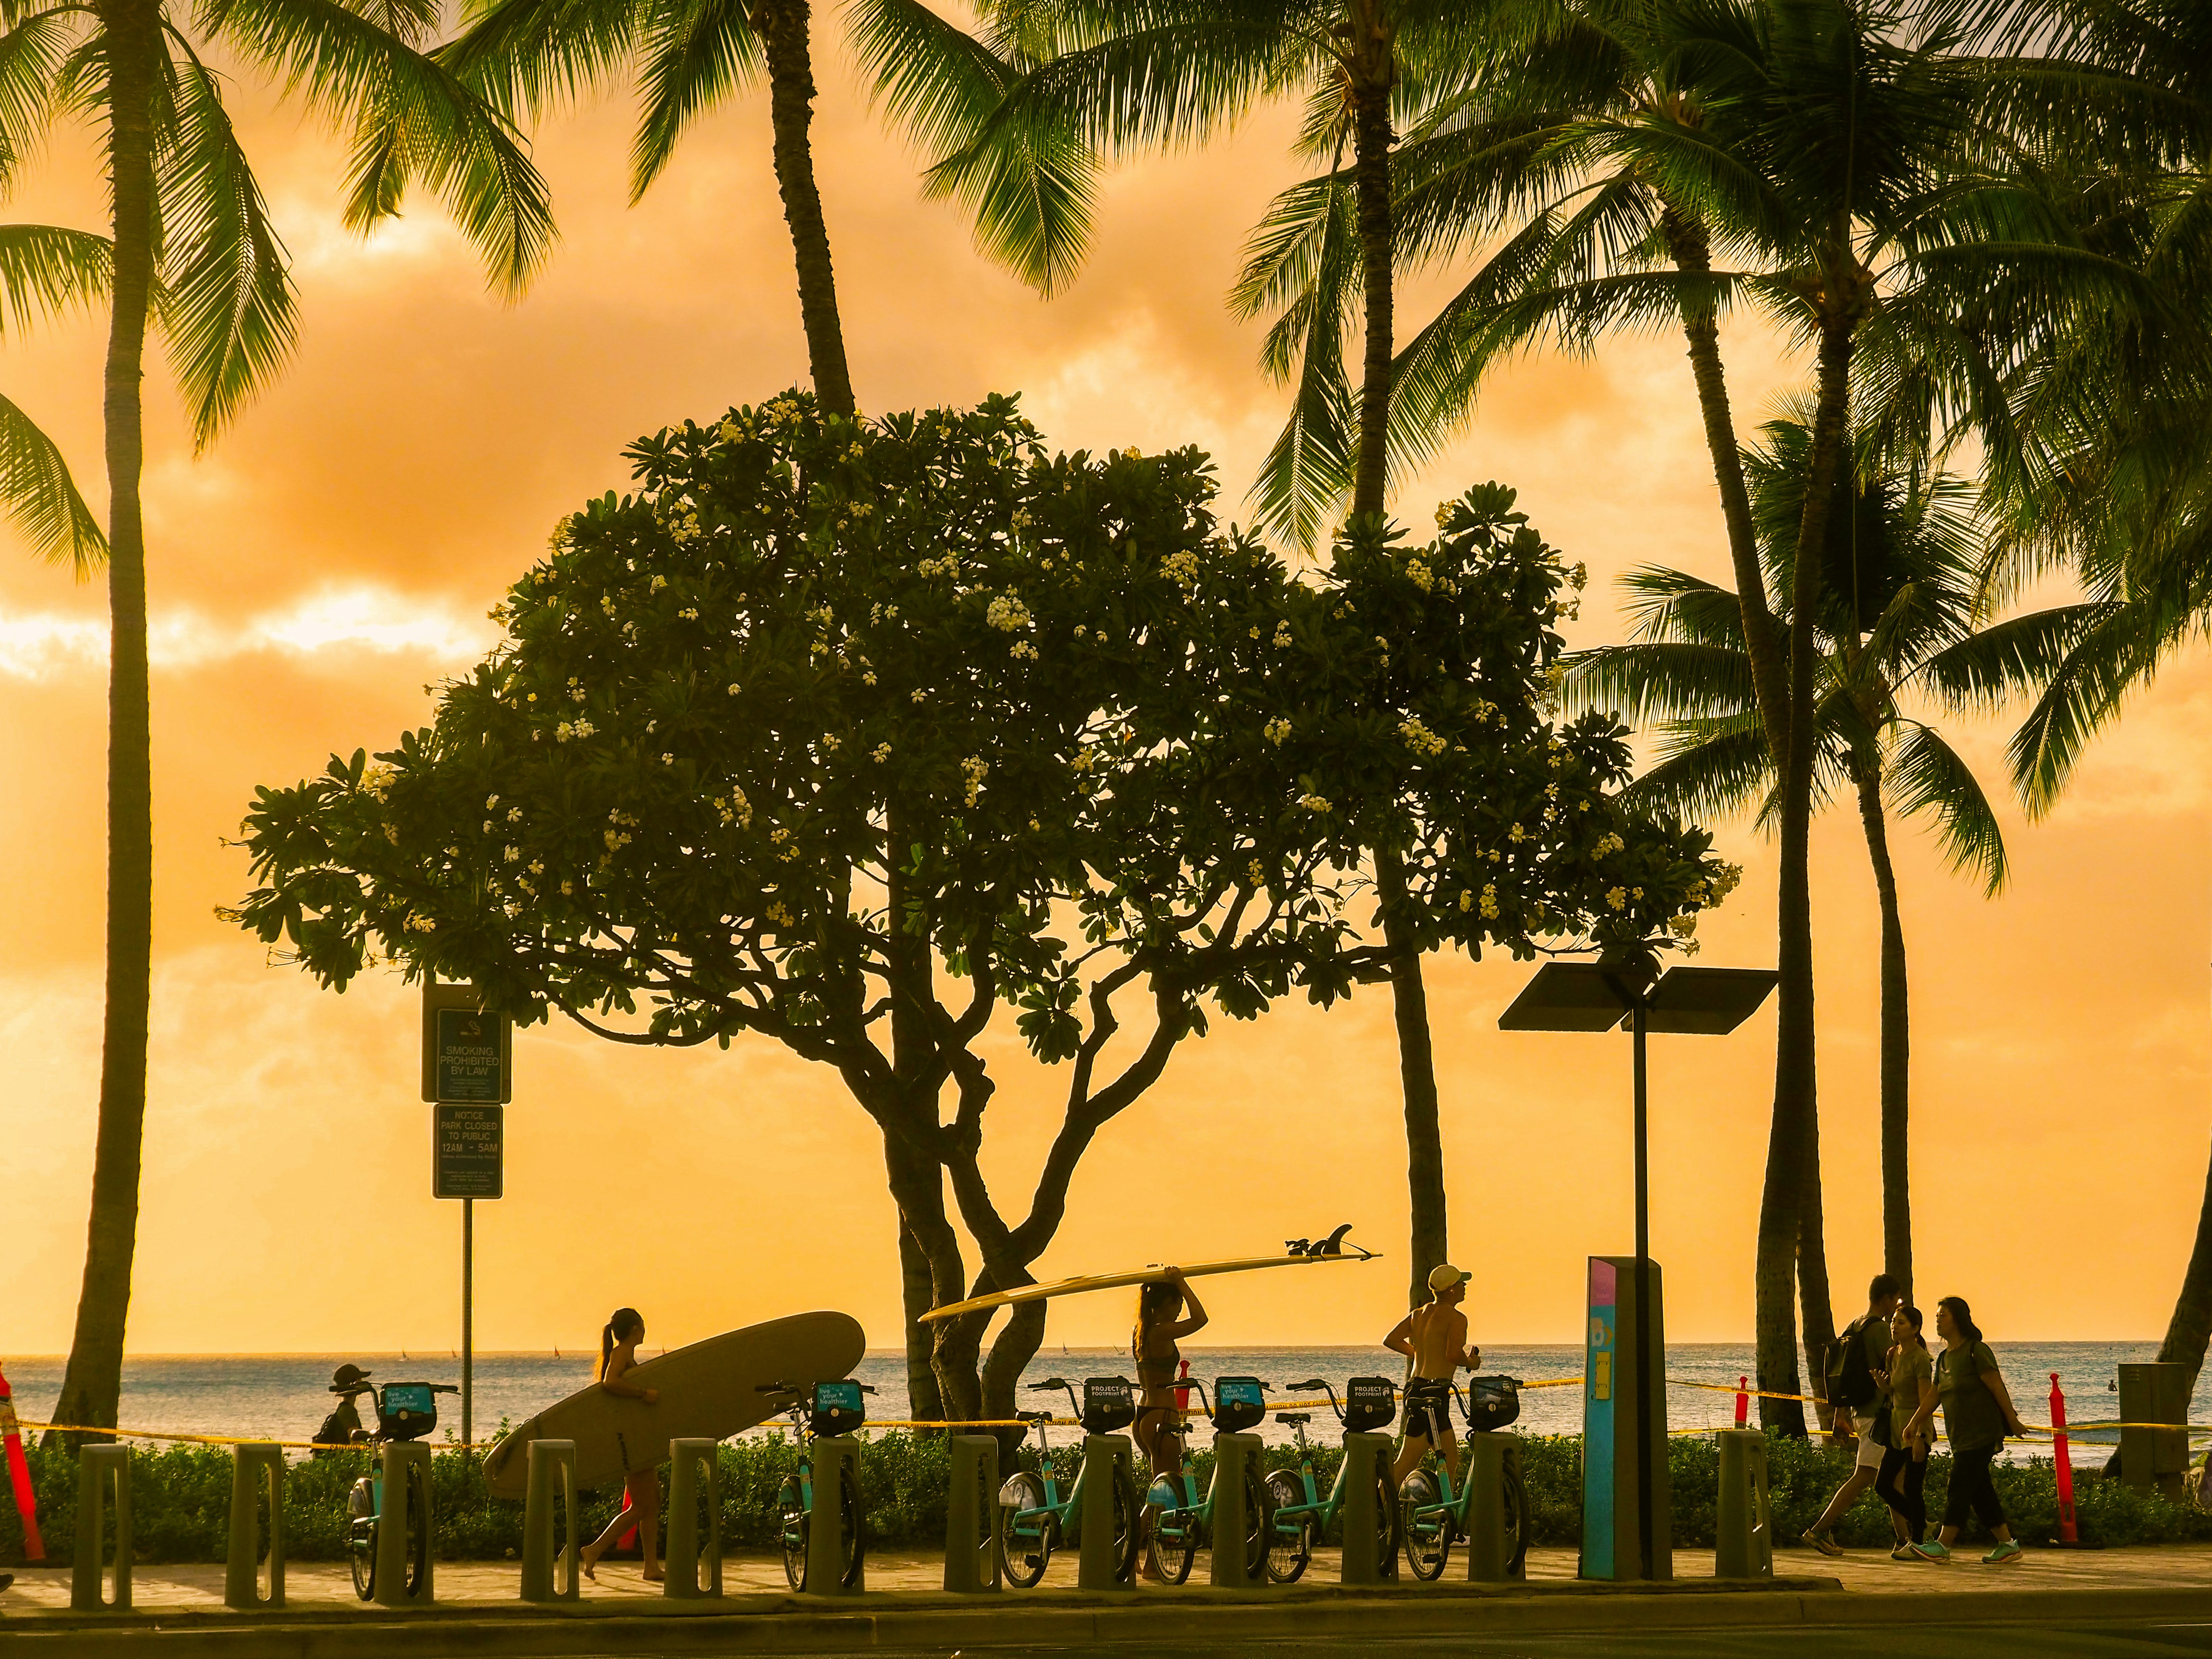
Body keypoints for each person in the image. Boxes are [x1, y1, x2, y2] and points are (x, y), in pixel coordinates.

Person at [1902, 1295, 2031, 1564]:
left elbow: (1997, 1387)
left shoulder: (1976, 1351)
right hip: (1960, 1436)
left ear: (1958, 1319)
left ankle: (1943, 1545)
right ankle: (2007, 1544)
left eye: (1943, 1315)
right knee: (1980, 1490)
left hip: (1982, 1433)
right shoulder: (1945, 1359)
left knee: (1959, 1487)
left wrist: (2013, 1420)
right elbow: (1933, 1396)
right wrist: (1914, 1423)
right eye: (1936, 1316)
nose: (1937, 1320)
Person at [1801, 1273, 1903, 1555]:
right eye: (1895, 1299)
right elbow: (1893, 1370)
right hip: (1878, 1412)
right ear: (1886, 1298)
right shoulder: (1881, 1330)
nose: (1896, 1305)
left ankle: (1905, 1540)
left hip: (1860, 1410)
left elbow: (1843, 1375)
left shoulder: (1854, 1326)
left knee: (1895, 1477)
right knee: (1865, 1474)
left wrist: (1840, 1414)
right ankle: (1819, 1531)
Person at [1132, 1268, 1208, 1581]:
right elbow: (1201, 1319)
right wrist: (1182, 1283)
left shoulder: (1140, 1330)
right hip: (1162, 1418)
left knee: (1157, 1494)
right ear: (1164, 1306)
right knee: (1163, 1497)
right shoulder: (1161, 1331)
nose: (1179, 1310)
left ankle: (1130, 1555)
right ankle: (1145, 1562)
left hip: (1144, 1417)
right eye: (1176, 1303)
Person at [580, 1308, 662, 1582]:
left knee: (652, 1504)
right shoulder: (620, 1354)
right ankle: (594, 1550)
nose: (645, 1330)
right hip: (631, 1442)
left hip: (637, 1439)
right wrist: (643, 1393)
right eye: (643, 1325)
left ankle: (651, 1567)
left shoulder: (624, 1354)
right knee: (641, 1506)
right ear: (636, 1328)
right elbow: (610, 1382)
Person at [1385, 1264, 1481, 1491]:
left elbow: (1391, 1340)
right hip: (1435, 1391)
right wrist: (1471, 1362)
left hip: (1415, 1388)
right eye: (1460, 1283)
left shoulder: (1419, 1314)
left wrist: (1418, 1352)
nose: (1464, 1287)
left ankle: (1439, 1506)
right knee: (1411, 1461)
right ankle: (1379, 1503)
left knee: (1448, 1458)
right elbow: (1453, 1354)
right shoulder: (1457, 1318)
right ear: (1450, 1290)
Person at [1873, 1304, 1935, 1558]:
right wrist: (1883, 1386)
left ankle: (1918, 1542)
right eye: (1893, 1322)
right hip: (1897, 1429)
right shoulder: (1894, 1353)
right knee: (1883, 1485)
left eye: (1901, 1323)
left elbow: (1926, 1403)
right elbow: (1896, 1393)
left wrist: (1921, 1437)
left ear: (1916, 1329)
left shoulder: (1920, 1359)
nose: (1894, 1326)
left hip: (1917, 1428)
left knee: (1912, 1487)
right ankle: (1924, 1525)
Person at [312, 1364, 374, 1456]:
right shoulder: (348, 1411)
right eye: (359, 1380)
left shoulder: (343, 1408)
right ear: (353, 1383)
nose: (362, 1382)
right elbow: (356, 1444)